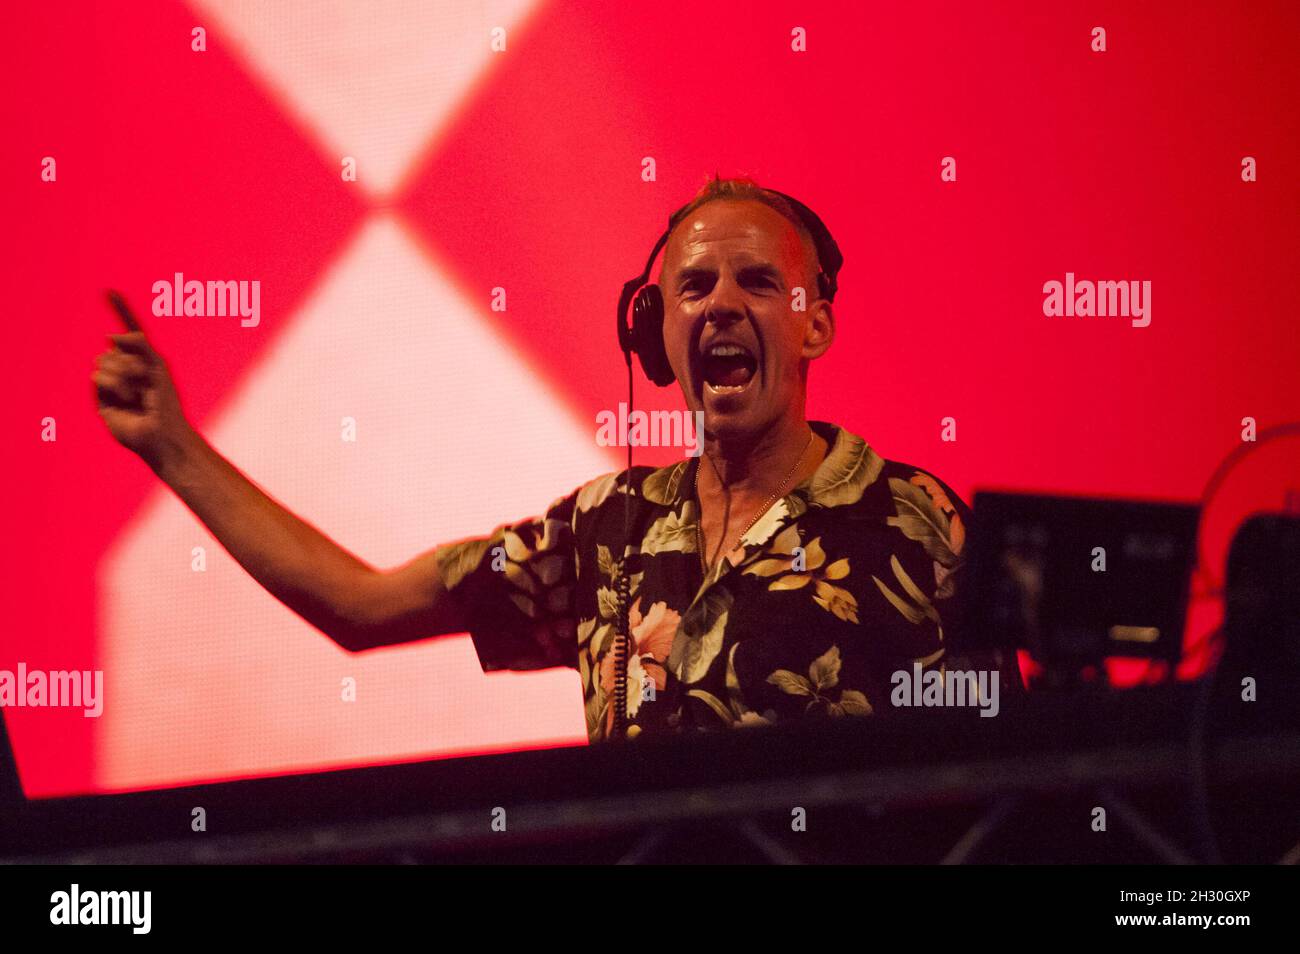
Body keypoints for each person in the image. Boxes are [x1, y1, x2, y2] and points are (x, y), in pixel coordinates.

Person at [93, 177, 1021, 743]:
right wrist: (175, 449)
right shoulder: (604, 530)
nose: (721, 304)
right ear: (656, 332)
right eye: (692, 286)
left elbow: (1010, 781)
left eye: (759, 281)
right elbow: (361, 606)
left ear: (815, 323)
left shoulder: (916, 520)